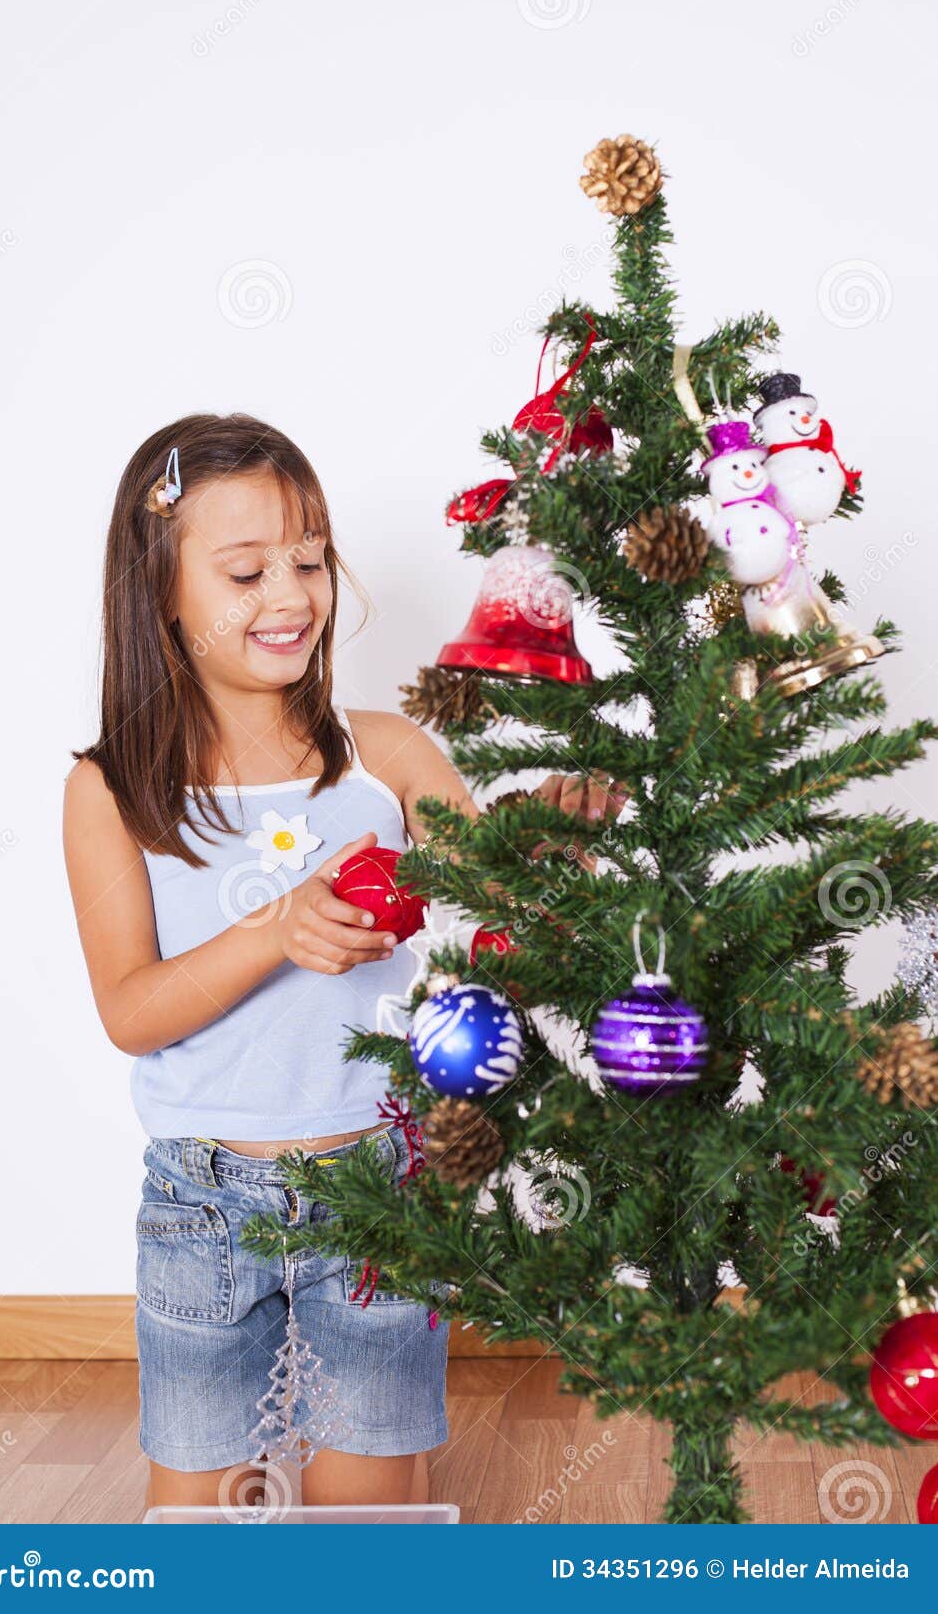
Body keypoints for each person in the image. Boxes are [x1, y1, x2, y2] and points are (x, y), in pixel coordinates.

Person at [62, 412, 623, 1513]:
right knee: (201, 1530)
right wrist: (272, 931)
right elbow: (132, 1011)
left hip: (378, 1190)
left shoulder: (390, 757)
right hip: (200, 1208)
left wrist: (547, 840)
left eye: (309, 561)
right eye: (244, 570)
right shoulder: (111, 788)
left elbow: (501, 900)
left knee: (370, 1521)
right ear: (159, 593)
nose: (289, 595)